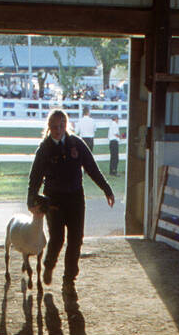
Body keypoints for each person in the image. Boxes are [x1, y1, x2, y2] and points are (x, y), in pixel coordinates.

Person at [27, 108, 114, 291]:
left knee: (76, 240)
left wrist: (107, 189)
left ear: (66, 125)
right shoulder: (44, 149)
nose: (58, 129)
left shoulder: (77, 144)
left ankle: (69, 280)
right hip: (54, 200)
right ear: (49, 127)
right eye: (54, 126)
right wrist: (31, 200)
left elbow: (92, 168)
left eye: (61, 125)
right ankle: (49, 265)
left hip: (75, 198)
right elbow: (35, 178)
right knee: (57, 239)